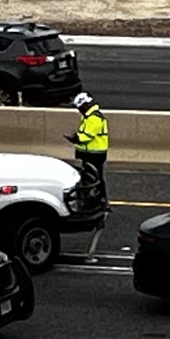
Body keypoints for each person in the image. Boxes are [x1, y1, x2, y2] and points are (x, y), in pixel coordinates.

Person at [64, 91, 110, 259]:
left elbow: (86, 137)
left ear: (85, 105)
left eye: (79, 107)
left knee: (94, 178)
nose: (79, 110)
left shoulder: (94, 118)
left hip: (94, 154)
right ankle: (94, 200)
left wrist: (75, 139)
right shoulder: (89, 116)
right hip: (90, 153)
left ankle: (98, 201)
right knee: (90, 177)